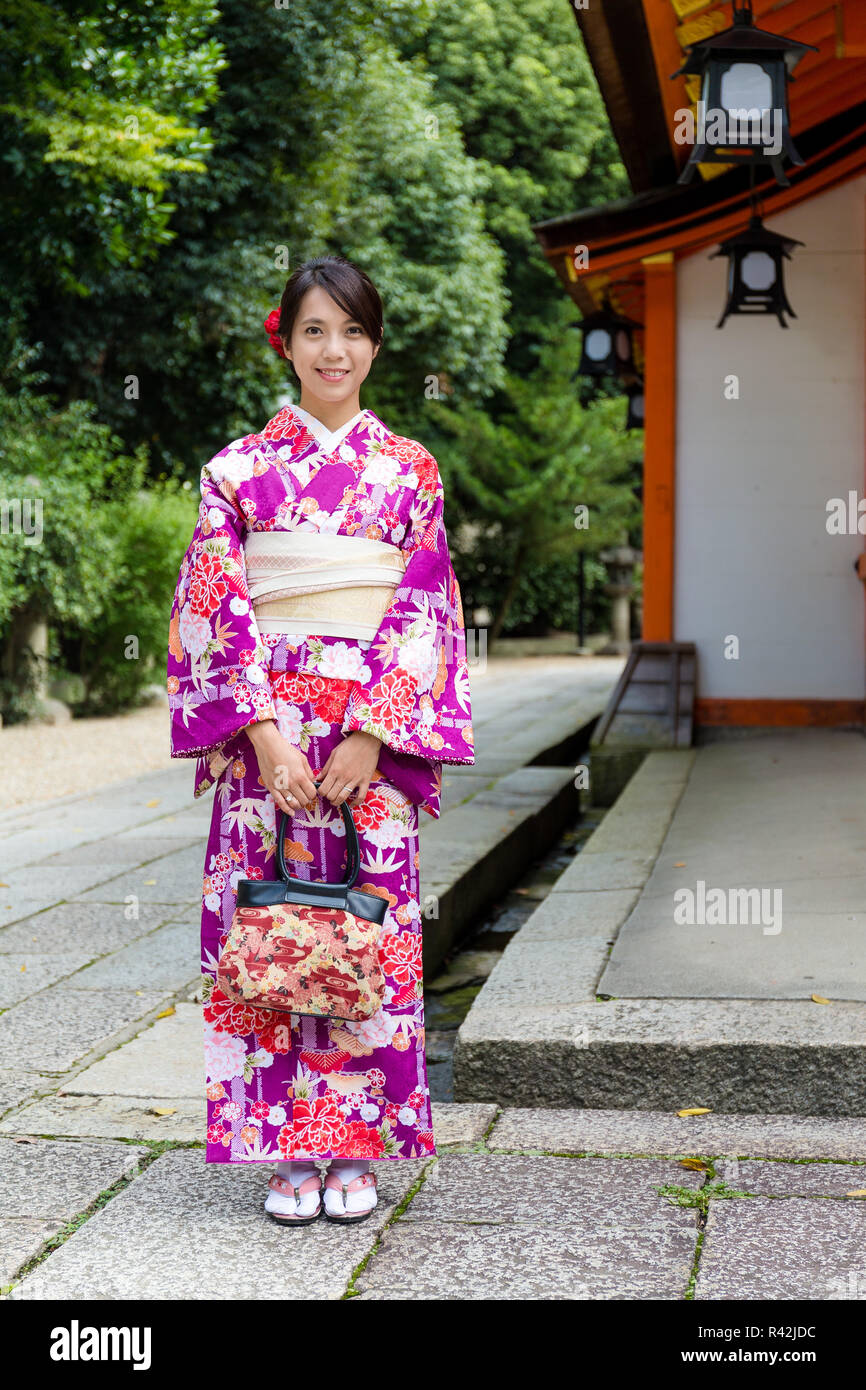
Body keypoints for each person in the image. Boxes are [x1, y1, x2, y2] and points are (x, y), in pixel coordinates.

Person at [167, 255, 475, 1225]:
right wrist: (262, 734)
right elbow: (214, 604)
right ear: (287, 343)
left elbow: (425, 607)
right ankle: (284, 1148)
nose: (332, 350)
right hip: (267, 737)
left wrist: (373, 735)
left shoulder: (410, 470)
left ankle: (355, 1144)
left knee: (365, 930)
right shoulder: (234, 471)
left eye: (350, 331)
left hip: (367, 736)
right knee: (265, 929)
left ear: (374, 346)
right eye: (313, 330)